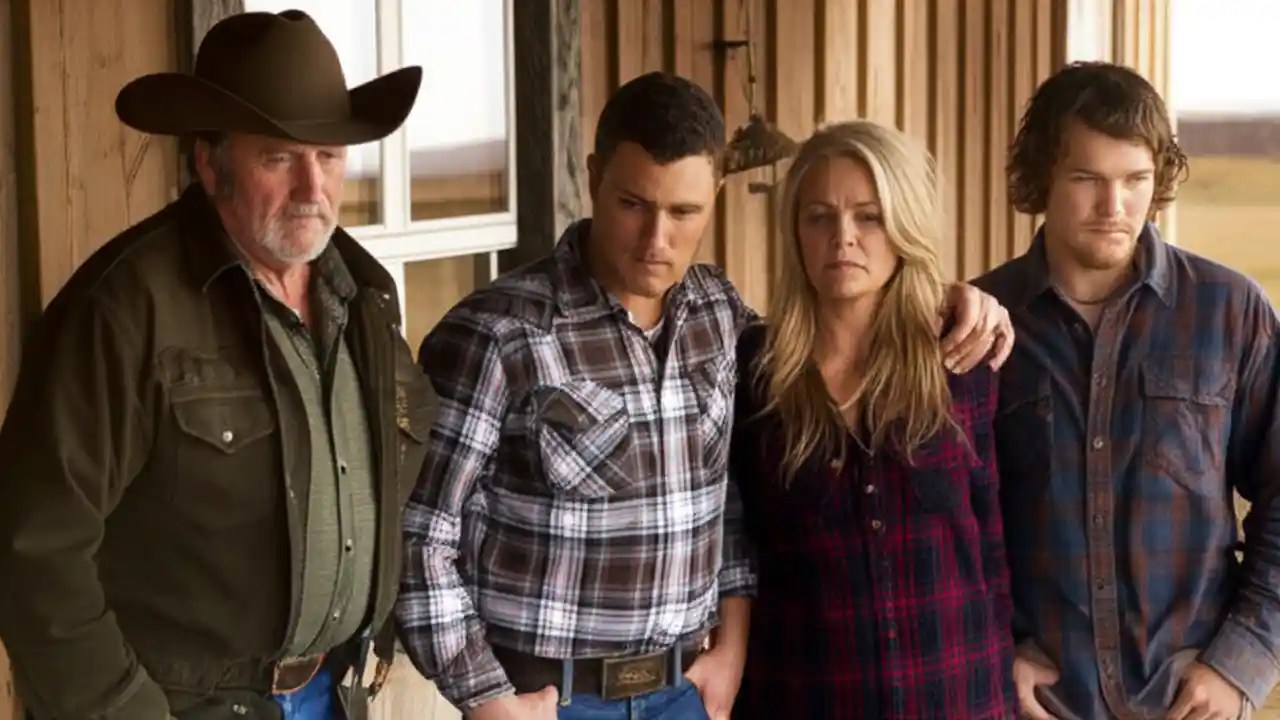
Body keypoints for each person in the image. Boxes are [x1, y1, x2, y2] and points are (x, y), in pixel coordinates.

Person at [396, 71, 1015, 720]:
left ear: (715, 197)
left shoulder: (718, 321)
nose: (656, 240)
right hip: (551, 698)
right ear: (592, 176)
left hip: (685, 694)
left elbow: (727, 505)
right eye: (633, 203)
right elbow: (422, 534)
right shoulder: (498, 332)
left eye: (684, 212)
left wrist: (730, 651)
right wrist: (487, 697)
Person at [0, 10, 433, 720]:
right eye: (278, 158)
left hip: (332, 695)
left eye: (327, 157)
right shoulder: (126, 310)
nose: (312, 188)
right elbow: (33, 551)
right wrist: (124, 710)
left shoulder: (364, 297)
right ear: (210, 162)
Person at [975, 61, 1280, 720]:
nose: (1115, 210)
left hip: (1192, 699)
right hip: (1036, 705)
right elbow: (947, 521)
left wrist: (1240, 661)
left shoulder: (1231, 312)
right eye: (1086, 179)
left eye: (1135, 180)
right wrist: (991, 651)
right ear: (1042, 178)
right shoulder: (983, 322)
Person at [729, 120, 1014, 719]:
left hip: (959, 695)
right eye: (820, 217)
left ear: (903, 225)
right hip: (804, 698)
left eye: (869, 216)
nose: (843, 238)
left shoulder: (961, 357)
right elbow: (739, 550)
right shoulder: (753, 371)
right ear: (795, 232)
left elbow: (994, 546)